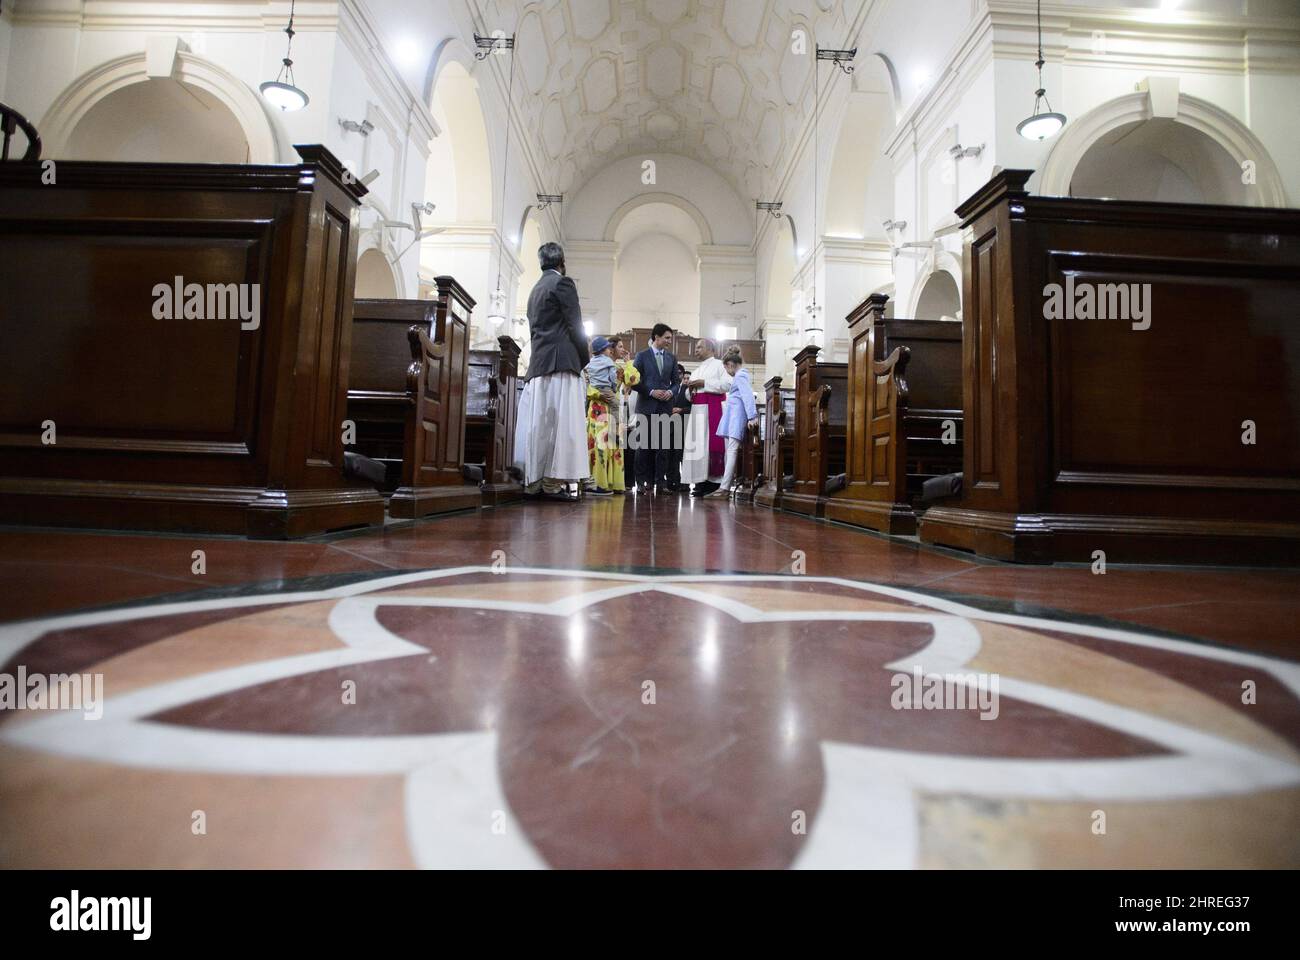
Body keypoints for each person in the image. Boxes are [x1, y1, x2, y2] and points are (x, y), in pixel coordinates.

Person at [513, 242, 590, 501]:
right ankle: (552, 483)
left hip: (539, 364)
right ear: (562, 261)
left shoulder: (535, 289)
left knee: (540, 425)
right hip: (562, 363)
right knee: (562, 425)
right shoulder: (563, 284)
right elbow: (575, 324)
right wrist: (583, 359)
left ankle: (534, 481)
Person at [704, 348, 759, 498]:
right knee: (729, 452)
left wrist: (752, 416)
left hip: (736, 418)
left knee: (732, 451)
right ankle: (724, 486)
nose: (726, 372)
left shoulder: (741, 375)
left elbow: (747, 396)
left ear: (730, 364)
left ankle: (725, 488)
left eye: (726, 368)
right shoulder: (740, 376)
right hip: (732, 417)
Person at [680, 338, 731, 497]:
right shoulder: (695, 370)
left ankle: (713, 483)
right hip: (697, 412)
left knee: (711, 446)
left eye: (699, 347)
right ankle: (699, 482)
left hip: (713, 411)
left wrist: (704, 382)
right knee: (698, 447)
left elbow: (728, 384)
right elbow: (690, 396)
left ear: (710, 348)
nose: (696, 350)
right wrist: (690, 390)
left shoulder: (720, 366)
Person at [631, 323, 678, 495]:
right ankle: (641, 482)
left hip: (665, 407)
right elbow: (634, 381)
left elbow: (676, 383)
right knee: (643, 446)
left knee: (663, 448)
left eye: (670, 339)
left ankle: (660, 483)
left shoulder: (672, 358)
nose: (669, 341)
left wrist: (670, 393)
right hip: (646, 406)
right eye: (666, 338)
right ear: (656, 337)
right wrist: (651, 391)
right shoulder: (642, 356)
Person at [582, 336, 622, 496]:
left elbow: (632, 379)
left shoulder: (591, 364)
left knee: (609, 445)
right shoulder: (610, 364)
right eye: (618, 346)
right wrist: (607, 390)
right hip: (600, 408)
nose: (618, 349)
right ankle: (598, 482)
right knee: (600, 445)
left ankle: (610, 482)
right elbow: (588, 388)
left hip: (600, 407)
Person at [612, 337, 640, 491]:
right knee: (619, 455)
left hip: (633, 427)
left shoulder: (636, 393)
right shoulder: (619, 390)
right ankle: (618, 482)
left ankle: (629, 483)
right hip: (619, 425)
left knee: (631, 457)